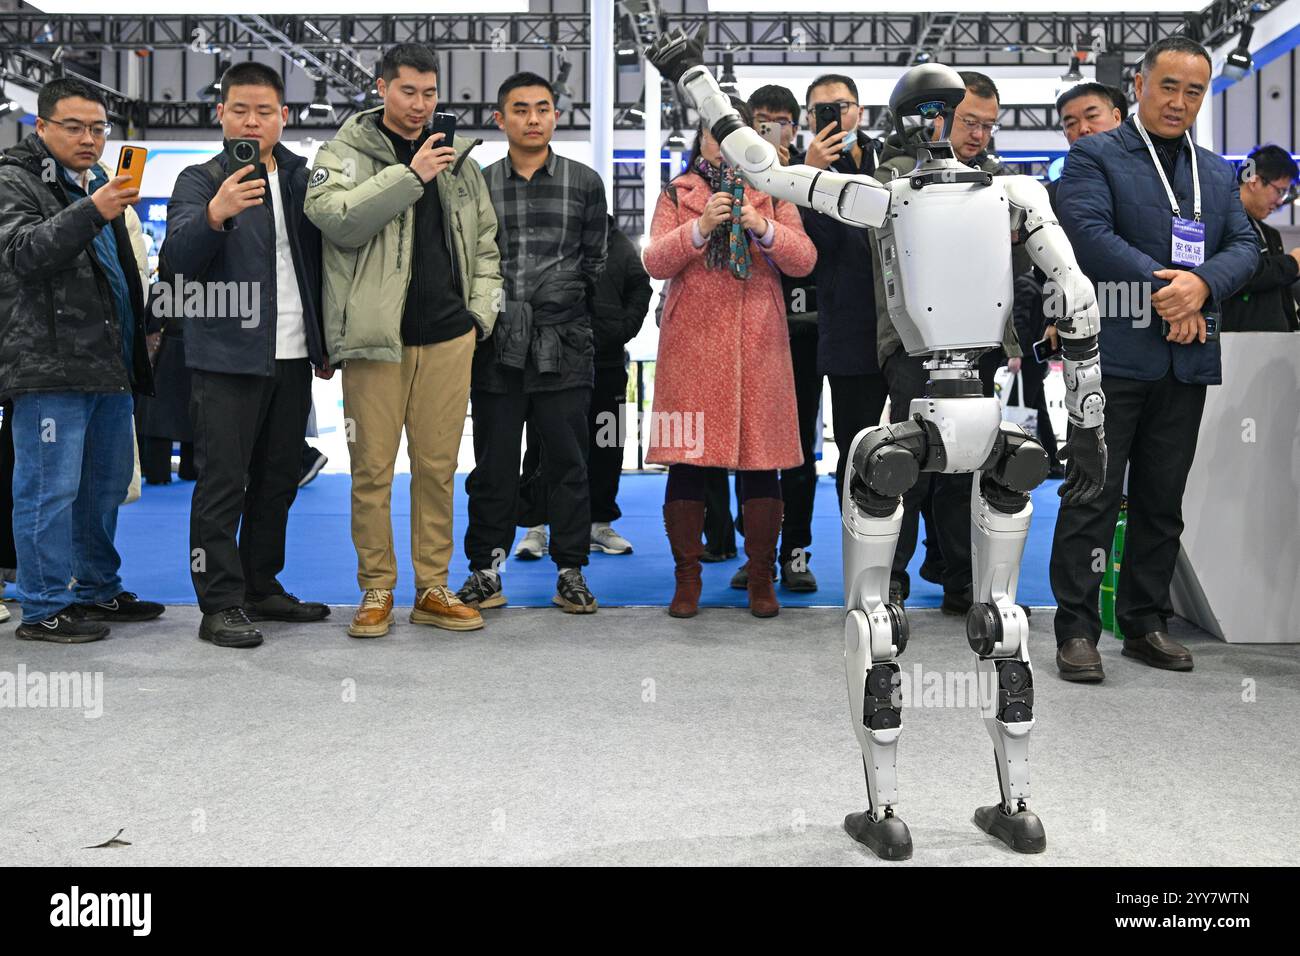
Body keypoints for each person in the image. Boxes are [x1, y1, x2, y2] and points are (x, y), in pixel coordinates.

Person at [1051, 36, 1258, 681]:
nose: (1179, 101)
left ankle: (1145, 622)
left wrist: (1204, 286)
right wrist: (1170, 286)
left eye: (1194, 91)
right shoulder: (1094, 156)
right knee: (1093, 493)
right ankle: (1077, 630)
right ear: (1138, 86)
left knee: (1162, 502)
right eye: (1168, 86)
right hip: (1112, 354)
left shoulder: (1218, 171)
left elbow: (1246, 244)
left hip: (1185, 357)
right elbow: (1087, 233)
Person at [306, 43, 502, 638]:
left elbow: (486, 247)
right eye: (407, 91)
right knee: (371, 469)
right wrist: (409, 174)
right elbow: (336, 220)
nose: (420, 105)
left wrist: (478, 319)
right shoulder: (341, 152)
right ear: (381, 88)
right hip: (374, 341)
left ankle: (432, 587)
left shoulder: (459, 161)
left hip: (449, 337)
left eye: (429, 92)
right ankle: (376, 588)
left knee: (438, 469)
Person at [163, 62, 333, 649]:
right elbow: (175, 268)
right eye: (241, 110)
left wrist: (324, 341)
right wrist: (215, 214)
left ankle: (262, 585)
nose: (253, 121)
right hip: (225, 357)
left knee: (277, 480)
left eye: (265, 111)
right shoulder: (198, 179)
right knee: (221, 484)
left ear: (283, 117)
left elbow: (319, 268)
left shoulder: (306, 177)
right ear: (222, 114)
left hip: (292, 356)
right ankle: (218, 604)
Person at [0, 76, 163, 643]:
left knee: (104, 485)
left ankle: (97, 588)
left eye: (98, 127)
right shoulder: (14, 179)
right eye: (73, 126)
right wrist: (93, 209)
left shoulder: (94, 185)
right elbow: (23, 254)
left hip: (108, 364)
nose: (89, 137)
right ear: (41, 127)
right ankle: (44, 606)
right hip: (48, 367)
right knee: (48, 489)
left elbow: (120, 275)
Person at [643, 98, 817, 619]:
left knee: (763, 464)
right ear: (700, 138)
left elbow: (804, 260)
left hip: (758, 345)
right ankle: (687, 578)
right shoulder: (678, 192)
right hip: (692, 347)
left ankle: (762, 576)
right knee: (687, 463)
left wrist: (762, 228)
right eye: (715, 135)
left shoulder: (773, 191)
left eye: (735, 136)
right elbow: (654, 260)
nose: (723, 146)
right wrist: (697, 230)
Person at [870, 70, 1023, 611]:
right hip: (914, 341)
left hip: (978, 340)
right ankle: (889, 581)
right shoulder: (898, 175)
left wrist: (1011, 338)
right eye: (969, 122)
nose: (979, 135)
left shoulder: (998, 182)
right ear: (939, 116)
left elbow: (1015, 264)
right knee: (907, 464)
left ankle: (963, 580)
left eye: (988, 126)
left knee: (970, 463)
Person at [457, 71, 607, 615]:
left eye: (542, 108)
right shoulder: (477, 183)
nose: (533, 118)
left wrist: (571, 317)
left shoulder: (586, 182)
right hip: (495, 344)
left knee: (569, 463)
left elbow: (596, 264)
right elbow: (468, 260)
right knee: (493, 466)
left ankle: (570, 570)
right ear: (500, 120)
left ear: (556, 117)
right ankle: (486, 572)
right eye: (519, 109)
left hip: (564, 343)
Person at [726, 83, 823, 593]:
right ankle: (755, 551)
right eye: (761, 122)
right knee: (751, 449)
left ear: (796, 124)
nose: (771, 131)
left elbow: (815, 249)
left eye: (782, 122)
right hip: (753, 331)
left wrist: (800, 174)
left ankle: (797, 551)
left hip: (812, 332)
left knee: (799, 449)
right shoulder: (734, 175)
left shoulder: (812, 175)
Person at [515, 214, 650, 560]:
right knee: (544, 444)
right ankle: (536, 526)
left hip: (609, 364)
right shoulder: (554, 239)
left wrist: (622, 329)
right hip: (556, 363)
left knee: (609, 444)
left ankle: (599, 522)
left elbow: (641, 287)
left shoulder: (618, 242)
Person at [1013, 83, 1128, 478]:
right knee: (1088, 446)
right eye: (1070, 123)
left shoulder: (1152, 183)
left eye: (1091, 116)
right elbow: (1048, 269)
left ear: (1118, 117)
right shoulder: (1051, 196)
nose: (1081, 128)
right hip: (1084, 333)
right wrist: (1051, 320)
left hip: (1147, 327)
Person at [1223, 144, 1300, 332]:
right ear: (1254, 181)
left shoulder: (1270, 234)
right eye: (1280, 191)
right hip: (1237, 344)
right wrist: (1292, 263)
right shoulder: (1223, 222)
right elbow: (1241, 273)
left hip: (1274, 347)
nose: (1281, 201)